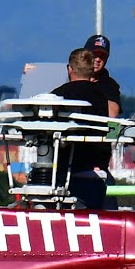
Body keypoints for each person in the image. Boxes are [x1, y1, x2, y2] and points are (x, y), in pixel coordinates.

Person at [53, 46, 112, 209]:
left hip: (61, 173)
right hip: (93, 172)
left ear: (69, 69)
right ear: (91, 70)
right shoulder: (100, 96)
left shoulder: (57, 96)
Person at [84, 32, 122, 116]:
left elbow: (112, 114)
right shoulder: (70, 76)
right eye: (94, 55)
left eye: (102, 56)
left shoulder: (110, 85)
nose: (98, 59)